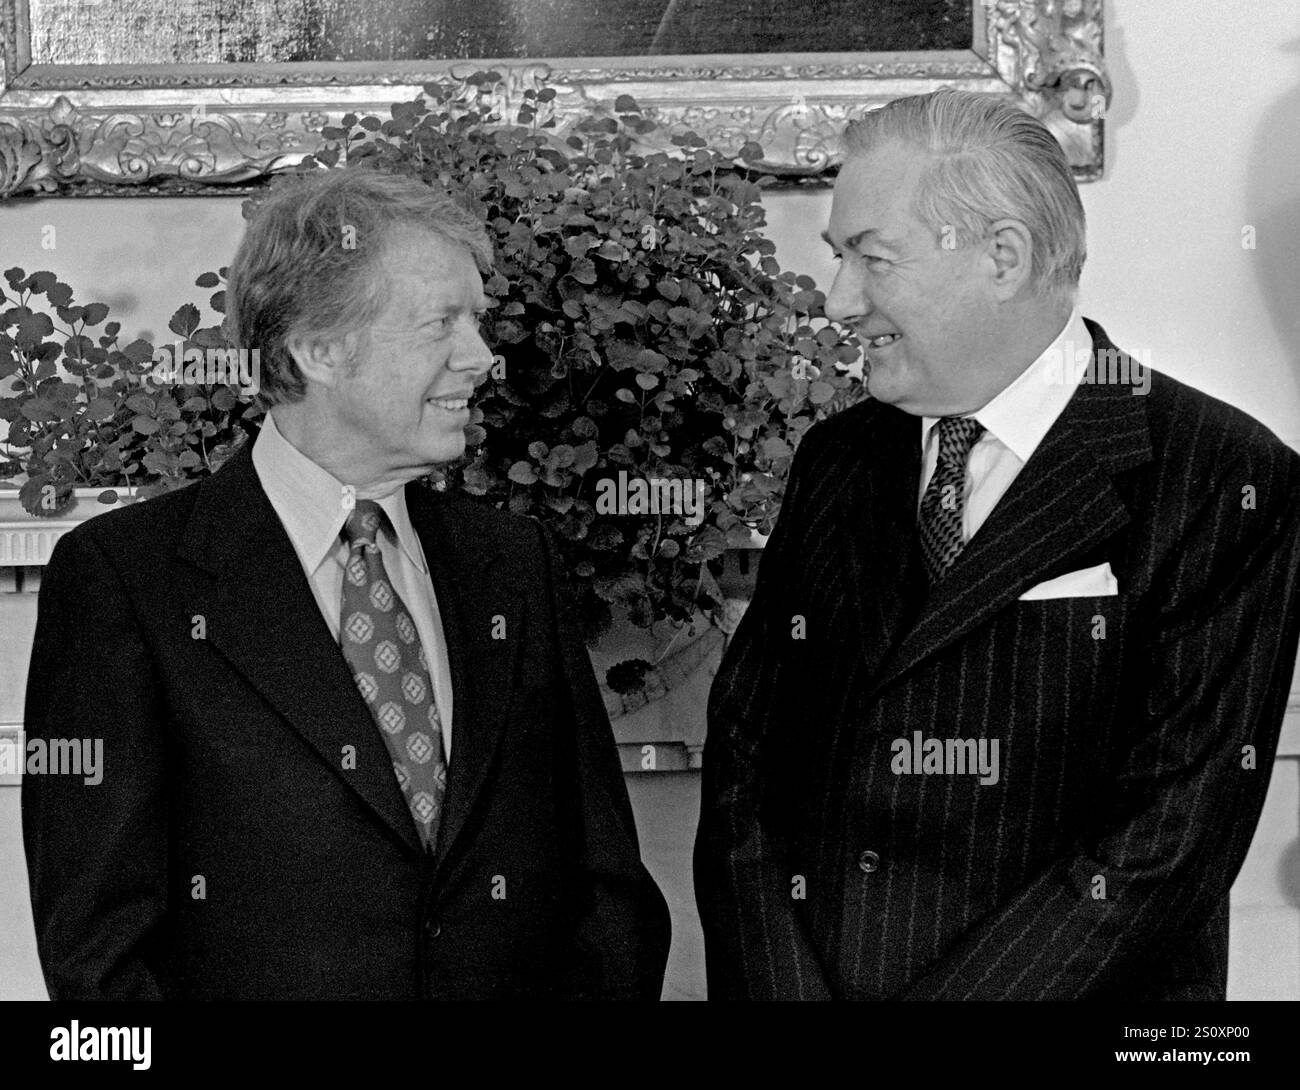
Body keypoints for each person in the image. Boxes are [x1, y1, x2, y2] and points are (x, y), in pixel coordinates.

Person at [695, 88, 1300, 1000]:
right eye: (837, 258)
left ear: (1003, 257)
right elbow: (747, 754)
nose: (838, 301)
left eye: (872, 258)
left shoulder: (1224, 475)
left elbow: (1168, 842)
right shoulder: (838, 457)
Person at [22, 168, 670, 1000]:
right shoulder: (124, 580)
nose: (481, 358)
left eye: (478, 321)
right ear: (318, 348)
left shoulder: (515, 566)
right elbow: (97, 954)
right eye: (442, 323)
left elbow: (607, 888)